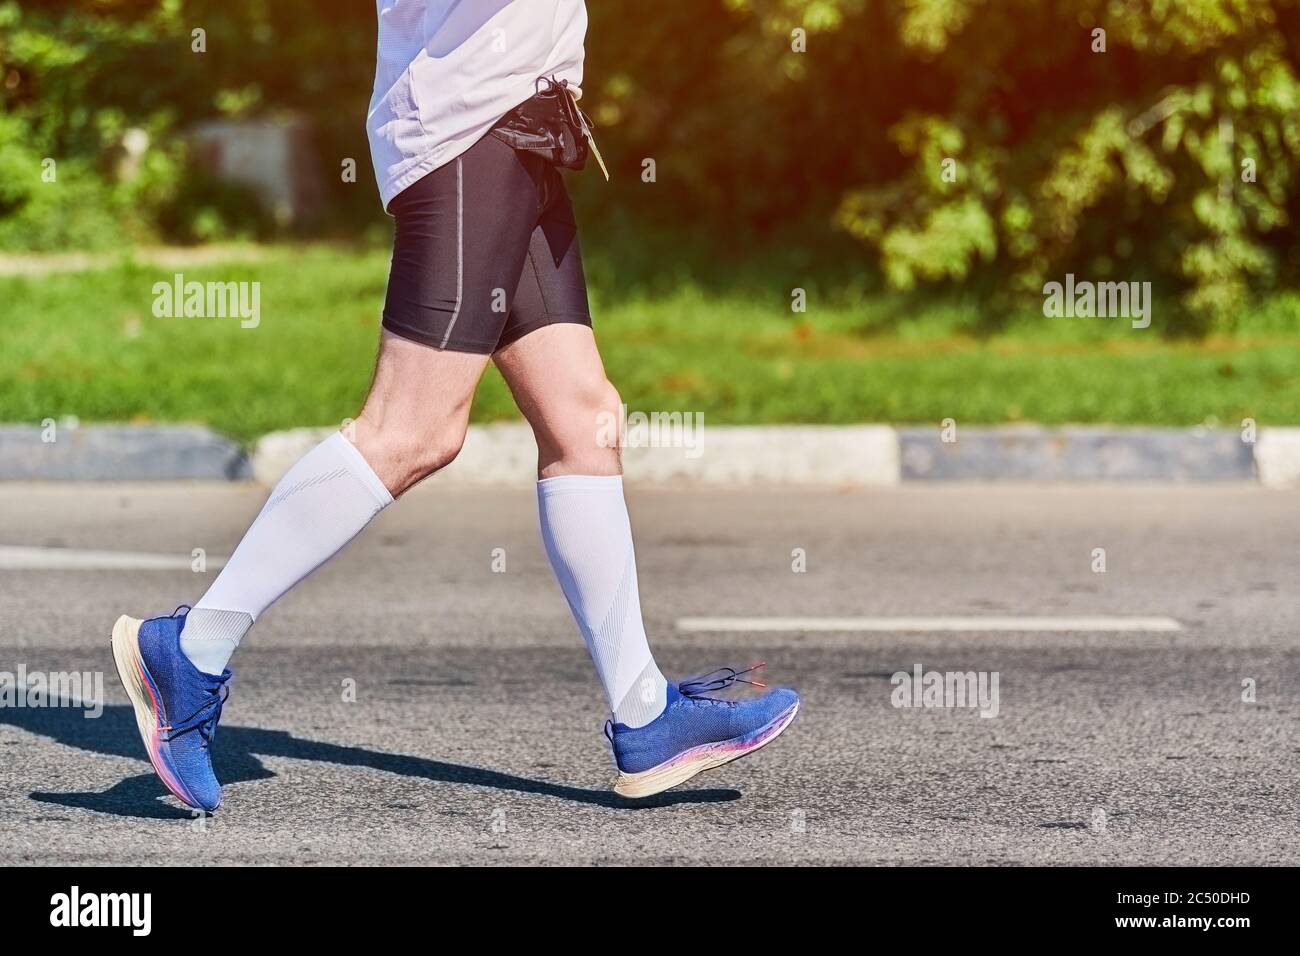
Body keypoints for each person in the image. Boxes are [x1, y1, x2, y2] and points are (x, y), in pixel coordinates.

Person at [109, 0, 799, 812]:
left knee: (585, 422)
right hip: (470, 130)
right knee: (411, 431)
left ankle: (645, 717)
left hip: (526, 121)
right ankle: (191, 649)